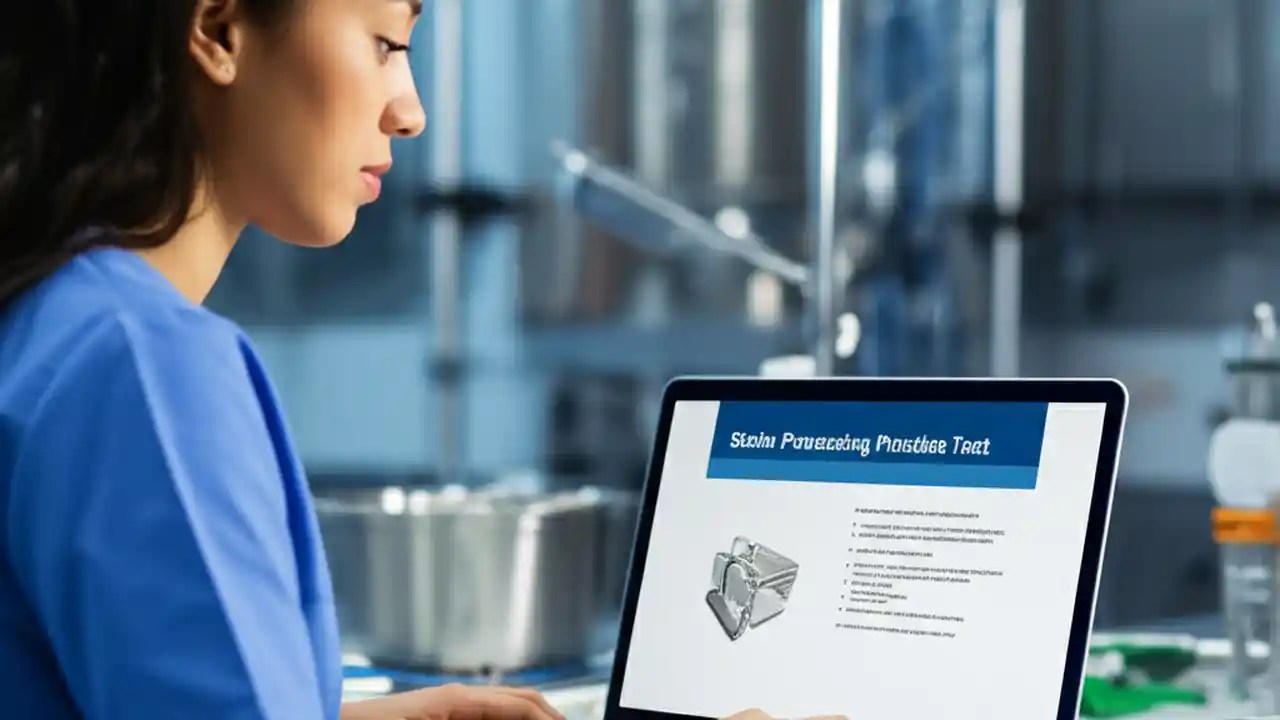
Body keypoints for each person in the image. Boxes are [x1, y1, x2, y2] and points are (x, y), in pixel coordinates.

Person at [0, 1, 846, 719]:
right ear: (220, 30)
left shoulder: (53, 318)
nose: (410, 111)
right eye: (388, 44)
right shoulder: (150, 369)